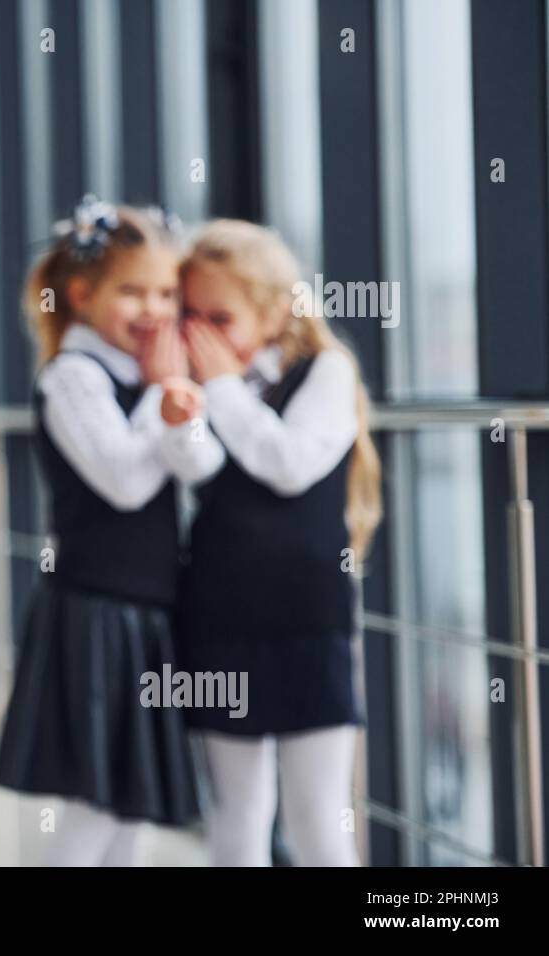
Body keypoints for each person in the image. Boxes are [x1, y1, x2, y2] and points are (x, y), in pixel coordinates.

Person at [0, 197, 220, 866]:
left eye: (166, 293)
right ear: (83, 294)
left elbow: (201, 466)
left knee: (132, 809)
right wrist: (162, 394)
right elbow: (125, 481)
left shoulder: (145, 381)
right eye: (133, 291)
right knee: (93, 806)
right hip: (95, 611)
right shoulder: (73, 378)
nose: (153, 309)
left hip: (145, 609)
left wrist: (178, 405)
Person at [175, 218, 382, 866]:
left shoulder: (327, 371)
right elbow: (198, 469)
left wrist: (221, 389)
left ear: (271, 312)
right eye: (190, 316)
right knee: (237, 816)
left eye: (220, 317)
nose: (201, 336)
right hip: (221, 616)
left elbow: (287, 462)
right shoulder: (203, 387)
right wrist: (179, 416)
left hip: (306, 620)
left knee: (319, 818)